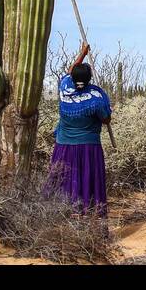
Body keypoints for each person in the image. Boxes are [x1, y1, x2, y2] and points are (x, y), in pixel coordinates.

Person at [44, 43, 112, 216]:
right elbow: (106, 119)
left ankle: (62, 213)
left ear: (73, 78)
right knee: (87, 180)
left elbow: (71, 70)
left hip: (64, 145)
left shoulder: (65, 88)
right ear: (89, 79)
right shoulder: (96, 96)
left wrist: (83, 52)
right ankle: (88, 215)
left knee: (65, 180)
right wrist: (105, 103)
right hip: (88, 147)